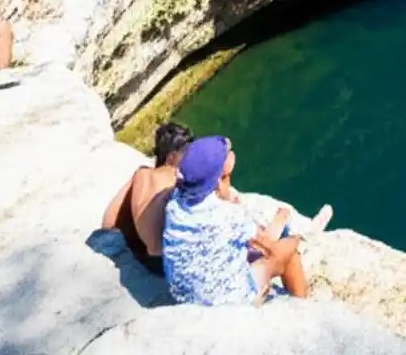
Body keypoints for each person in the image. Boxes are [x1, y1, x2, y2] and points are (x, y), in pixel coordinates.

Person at [163, 136, 310, 305]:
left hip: (184, 297)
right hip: (228, 302)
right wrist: (282, 220)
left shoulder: (173, 205)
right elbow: (268, 246)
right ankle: (302, 307)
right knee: (289, 248)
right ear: (218, 179)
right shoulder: (228, 216)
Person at [102, 122, 195, 276]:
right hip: (168, 262)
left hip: (147, 260)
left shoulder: (141, 174)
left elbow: (109, 220)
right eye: (187, 154)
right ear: (172, 157)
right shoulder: (176, 177)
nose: (192, 158)